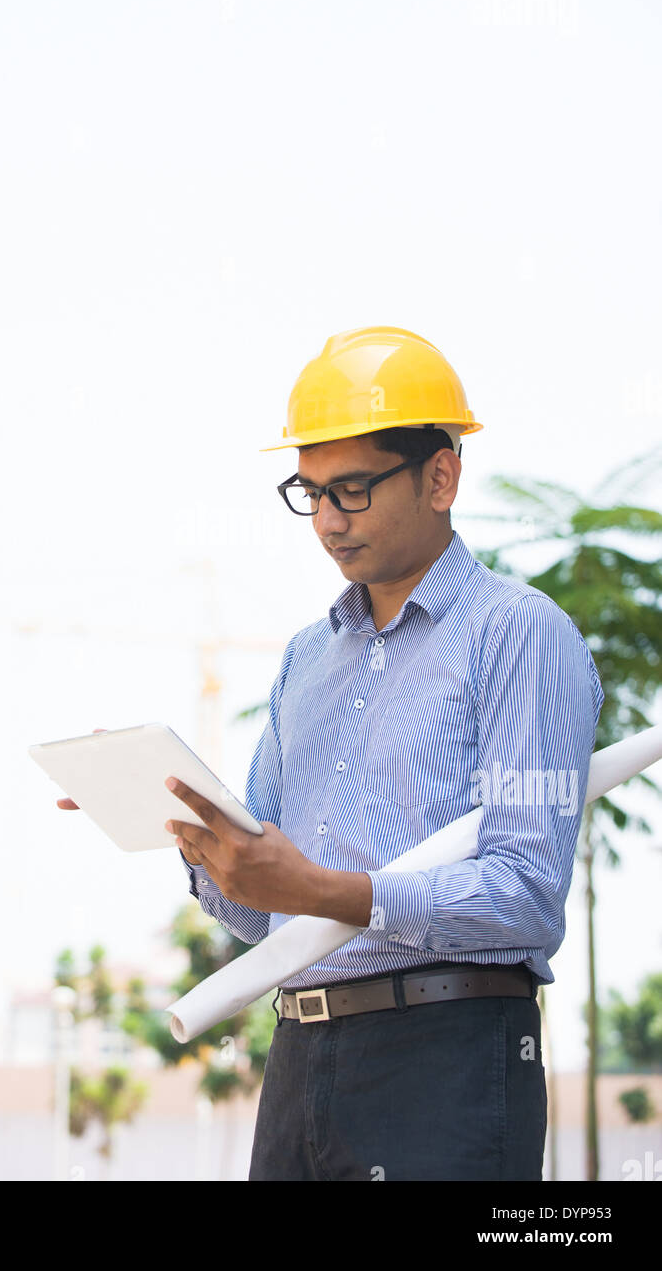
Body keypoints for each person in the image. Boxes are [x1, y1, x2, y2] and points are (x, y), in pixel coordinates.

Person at [160, 326, 604, 1182]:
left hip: (446, 1058)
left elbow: (523, 896)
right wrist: (203, 850)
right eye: (310, 491)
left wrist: (325, 890)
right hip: (298, 1055)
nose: (327, 520)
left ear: (440, 476)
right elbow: (267, 918)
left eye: (353, 490)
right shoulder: (304, 660)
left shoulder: (518, 635)